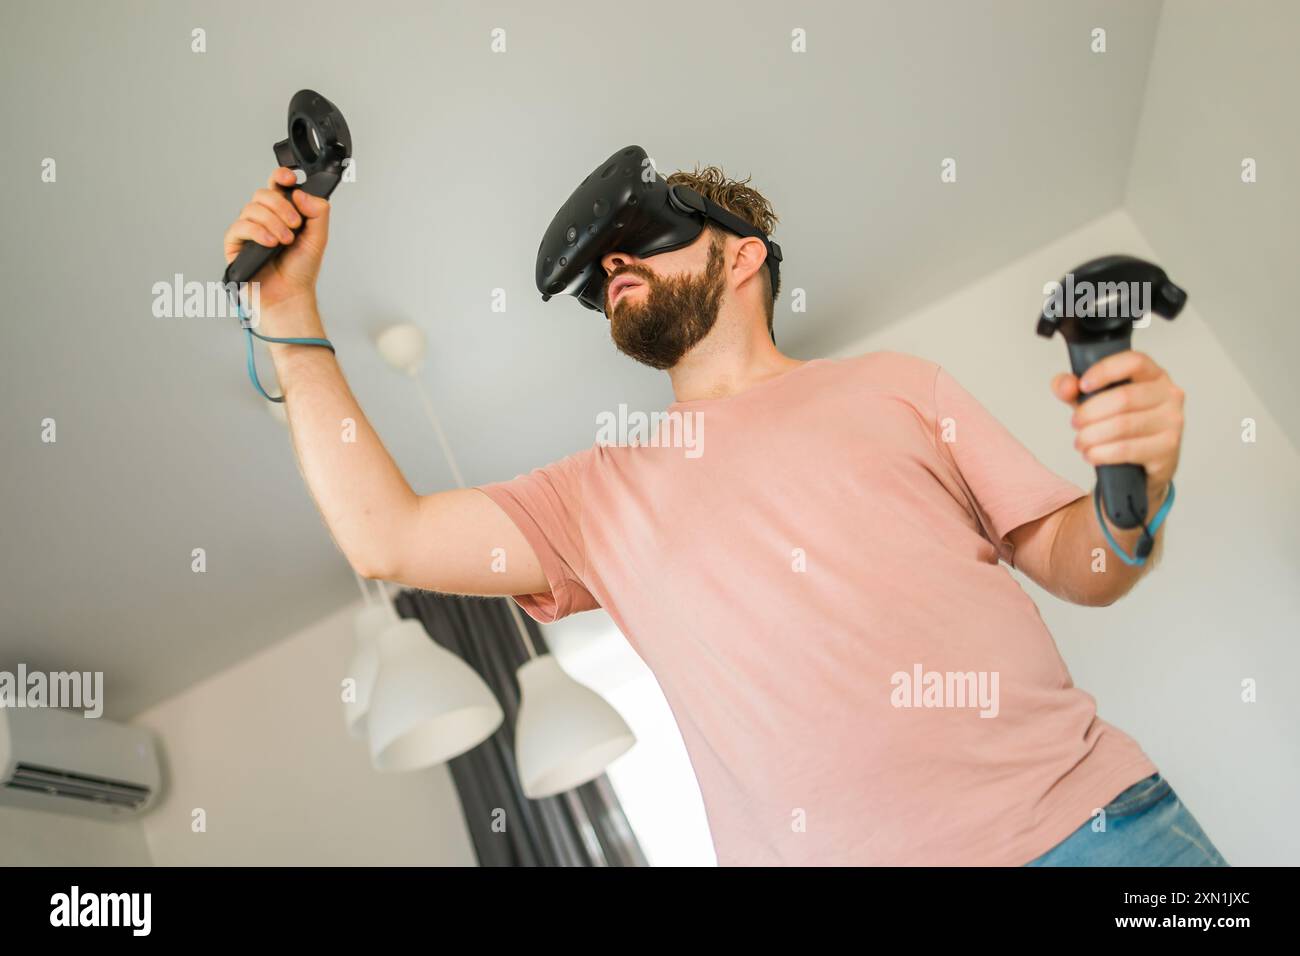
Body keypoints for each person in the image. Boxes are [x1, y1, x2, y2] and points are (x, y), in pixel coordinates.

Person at [223, 163, 1224, 866]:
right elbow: (383, 536)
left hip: (1094, 831)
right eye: (599, 269)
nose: (611, 266)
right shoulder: (593, 493)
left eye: (638, 241)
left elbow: (1083, 567)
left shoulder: (897, 385)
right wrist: (286, 303)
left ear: (742, 257)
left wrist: (1134, 485)